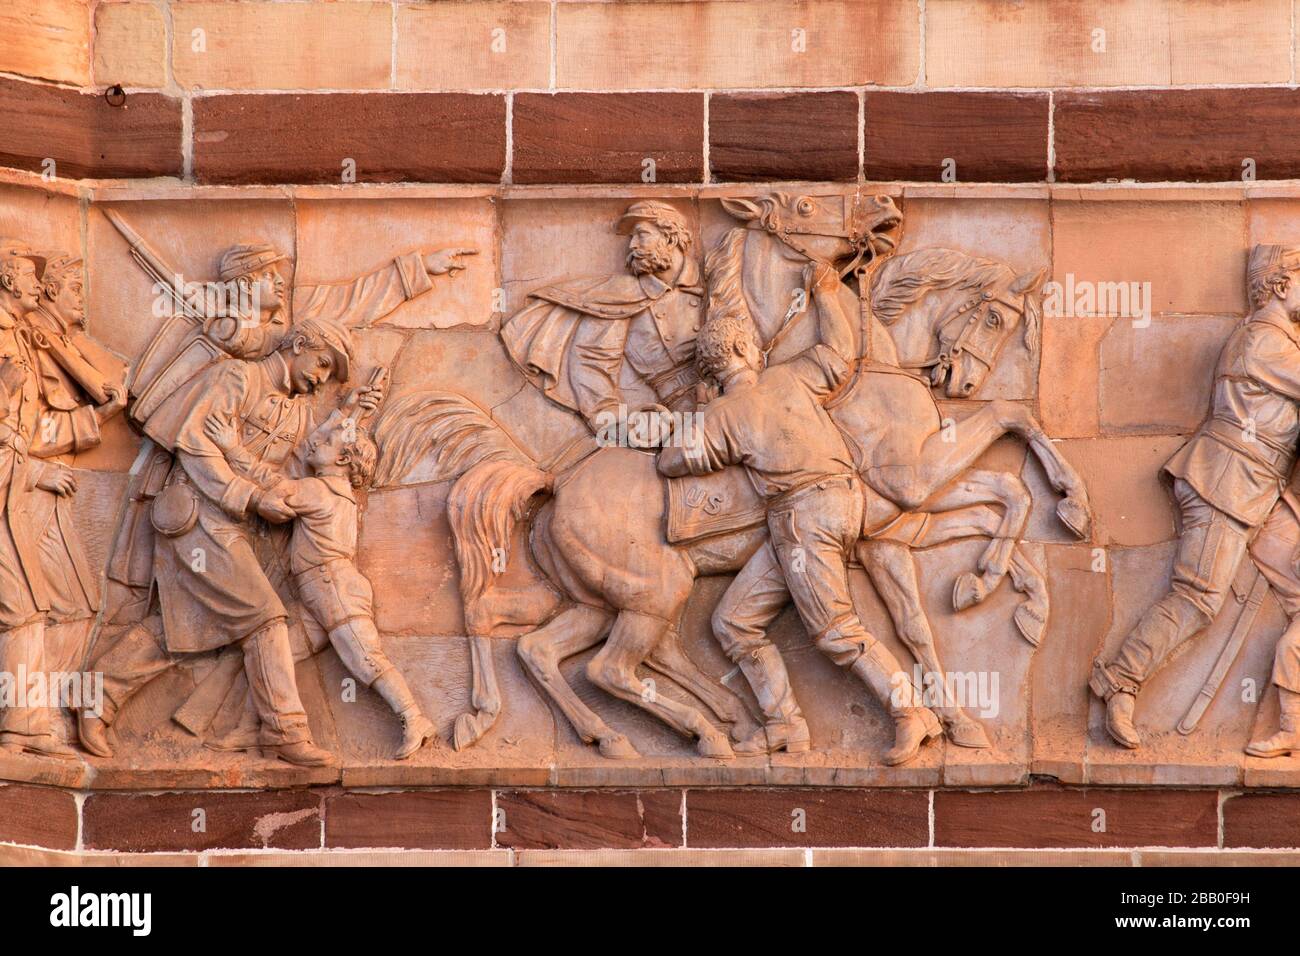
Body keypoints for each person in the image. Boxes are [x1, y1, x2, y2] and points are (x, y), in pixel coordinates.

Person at [658, 264, 941, 766]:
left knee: (834, 630)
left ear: (713, 369)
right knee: (733, 622)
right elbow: (839, 354)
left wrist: (701, 411)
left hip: (802, 517)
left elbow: (670, 461)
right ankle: (785, 725)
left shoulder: (723, 416)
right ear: (747, 350)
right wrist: (828, 295)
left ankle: (910, 712)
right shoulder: (789, 376)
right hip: (836, 505)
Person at [77, 317, 379, 767]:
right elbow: (195, 444)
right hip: (198, 513)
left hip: (230, 525)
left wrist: (348, 414)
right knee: (266, 618)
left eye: (328, 375)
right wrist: (251, 497)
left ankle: (93, 695)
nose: (320, 378)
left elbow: (301, 463)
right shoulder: (238, 377)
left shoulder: (294, 409)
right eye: (321, 364)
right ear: (298, 344)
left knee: (184, 624)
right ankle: (283, 730)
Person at [1092, 244, 1300, 748]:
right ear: (1278, 285)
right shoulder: (1264, 342)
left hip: (1259, 491)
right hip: (1224, 484)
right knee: (1197, 598)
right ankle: (1120, 681)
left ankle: (1292, 727)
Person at [202, 410, 437, 760]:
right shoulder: (338, 491)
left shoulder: (317, 490)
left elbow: (273, 483)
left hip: (333, 591)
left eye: (326, 442)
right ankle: (255, 728)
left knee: (365, 660)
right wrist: (347, 411)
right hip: (317, 595)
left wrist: (232, 449)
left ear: (342, 459)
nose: (315, 441)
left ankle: (414, 718)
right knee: (274, 656)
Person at [502, 201, 705, 446]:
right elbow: (591, 365)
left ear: (670, 238)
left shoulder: (716, 284)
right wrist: (621, 428)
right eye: (631, 238)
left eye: (641, 235)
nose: (632, 246)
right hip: (674, 422)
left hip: (729, 406)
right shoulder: (620, 297)